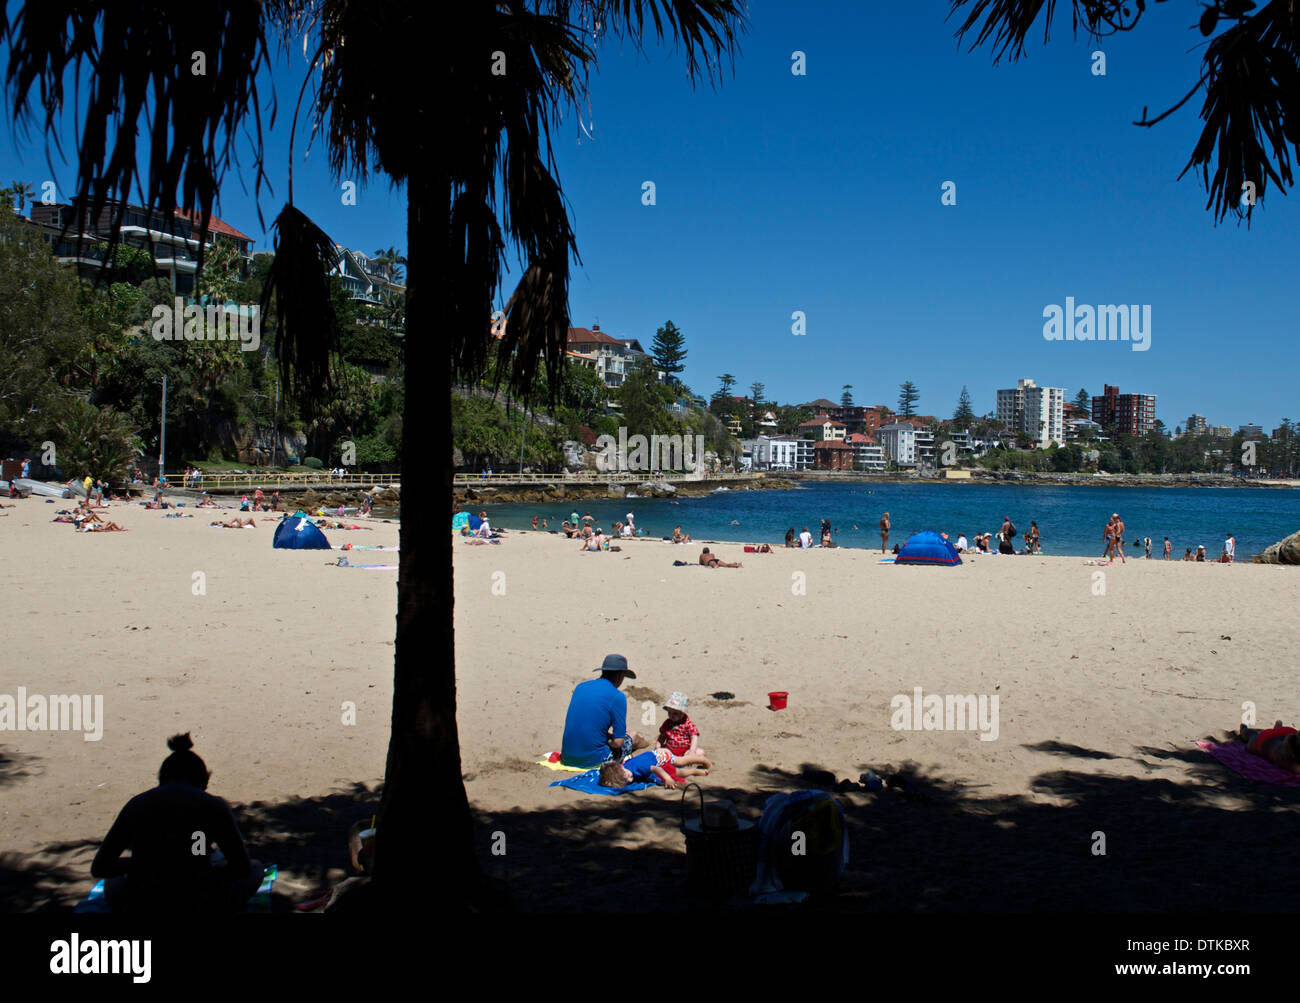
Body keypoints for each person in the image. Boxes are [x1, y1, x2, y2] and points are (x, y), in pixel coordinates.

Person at [90, 733, 265, 914]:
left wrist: (144, 864)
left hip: (144, 899)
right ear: (203, 781)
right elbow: (241, 868)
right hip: (199, 899)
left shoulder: (138, 804)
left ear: (161, 780)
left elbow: (101, 867)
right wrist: (202, 868)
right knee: (256, 868)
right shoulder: (212, 805)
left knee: (113, 883)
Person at [559, 654, 648, 769]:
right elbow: (618, 743)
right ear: (620, 675)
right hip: (594, 761)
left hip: (567, 758)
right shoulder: (617, 696)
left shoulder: (580, 687)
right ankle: (649, 743)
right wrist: (610, 741)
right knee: (633, 736)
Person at [599, 747, 713, 790]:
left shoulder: (639, 767)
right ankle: (697, 769)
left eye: (627, 777)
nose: (629, 780)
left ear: (621, 767)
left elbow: (656, 769)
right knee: (679, 767)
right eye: (625, 781)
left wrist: (667, 778)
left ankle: (703, 761)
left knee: (680, 762)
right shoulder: (623, 767)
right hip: (652, 756)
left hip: (661, 756)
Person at [656, 692, 704, 761]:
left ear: (683, 712)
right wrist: (658, 747)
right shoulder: (668, 723)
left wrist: (692, 751)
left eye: (675, 713)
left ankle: (687, 761)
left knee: (700, 752)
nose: (671, 715)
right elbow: (662, 736)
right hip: (670, 751)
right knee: (659, 751)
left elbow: (694, 737)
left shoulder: (687, 723)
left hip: (685, 751)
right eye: (669, 712)